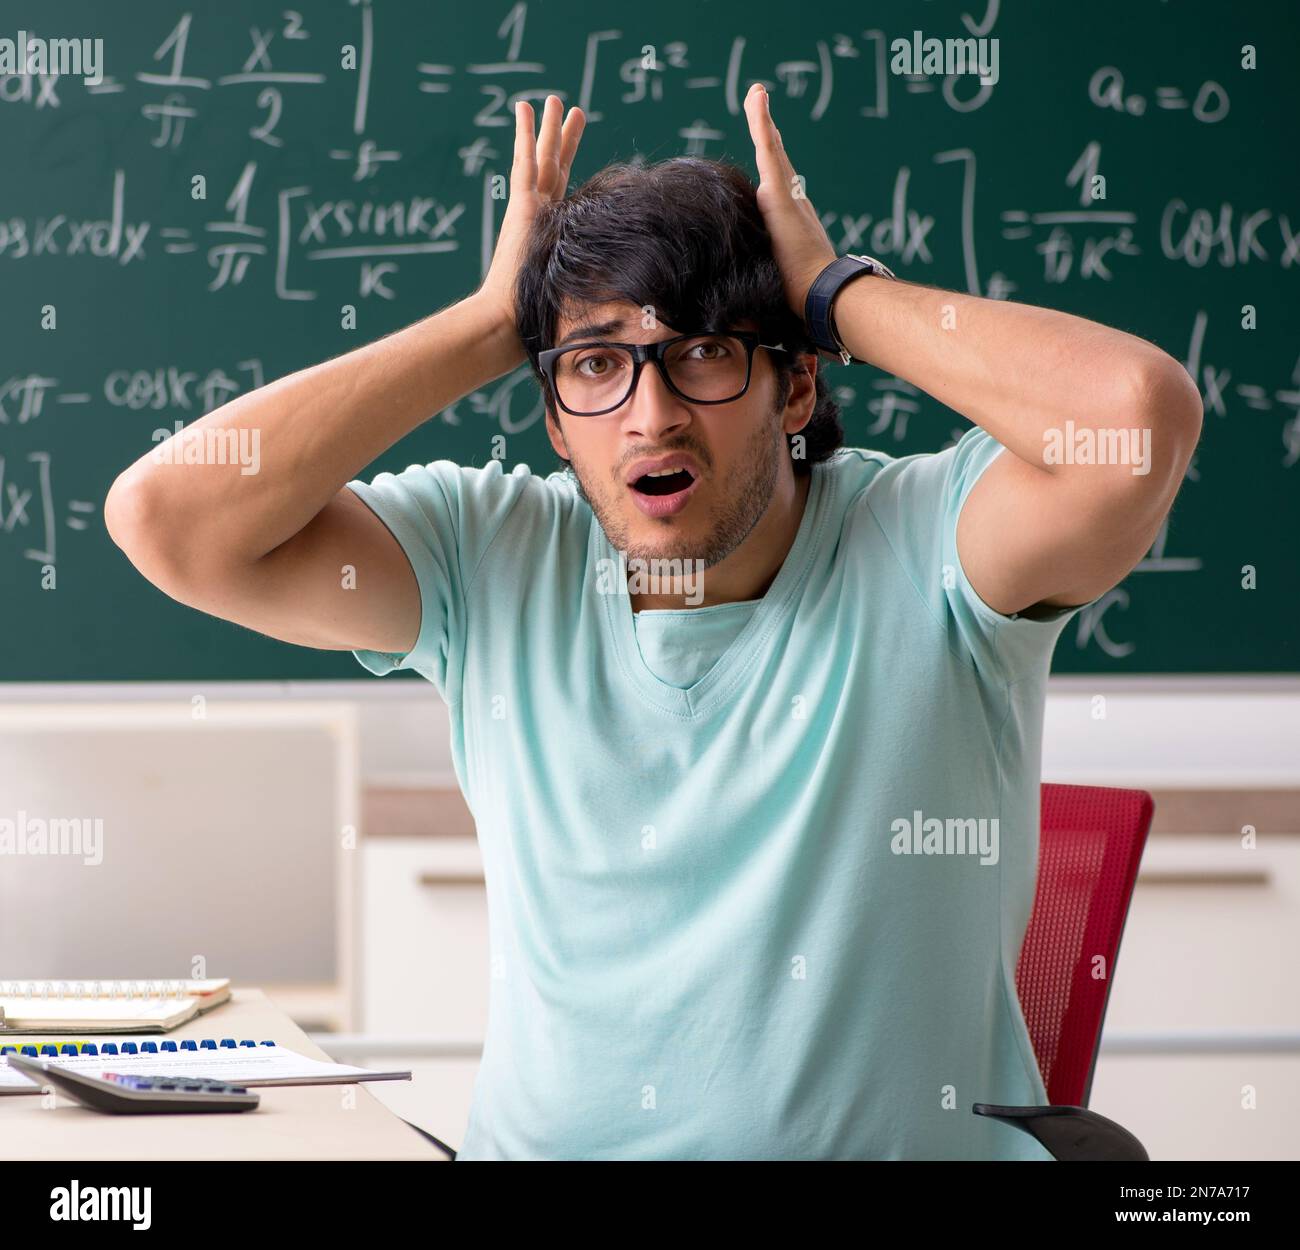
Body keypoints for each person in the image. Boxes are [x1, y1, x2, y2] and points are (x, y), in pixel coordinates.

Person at [106, 85, 1202, 1160]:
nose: (651, 411)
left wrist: (828, 290)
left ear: (796, 387)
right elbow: (168, 518)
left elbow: (1137, 419)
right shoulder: (488, 557)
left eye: (706, 351)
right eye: (596, 364)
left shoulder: (931, 544)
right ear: (551, 414)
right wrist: (496, 318)